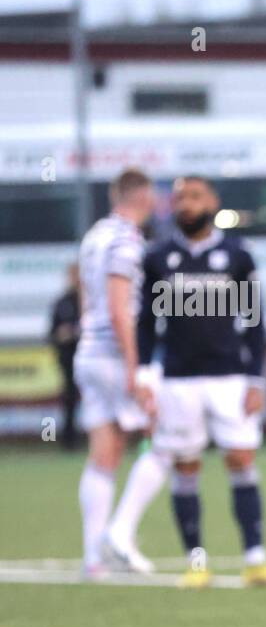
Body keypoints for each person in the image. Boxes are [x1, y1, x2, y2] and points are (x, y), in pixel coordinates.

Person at [138, 176, 266, 589]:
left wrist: (255, 379)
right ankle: (196, 563)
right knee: (185, 466)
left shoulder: (237, 254)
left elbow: (255, 320)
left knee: (241, 460)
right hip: (178, 380)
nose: (185, 205)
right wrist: (143, 374)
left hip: (229, 377)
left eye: (194, 197)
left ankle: (256, 560)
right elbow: (145, 323)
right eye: (178, 199)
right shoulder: (157, 257)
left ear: (212, 202)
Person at [72, 168, 170, 578]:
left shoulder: (95, 235)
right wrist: (135, 367)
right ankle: (120, 533)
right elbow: (118, 308)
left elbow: (85, 297)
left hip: (88, 353)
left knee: (104, 455)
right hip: (114, 356)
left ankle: (94, 558)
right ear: (144, 198)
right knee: (166, 439)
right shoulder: (127, 241)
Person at [49, 263, 81, 451]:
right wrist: (63, 334)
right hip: (69, 358)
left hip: (88, 358)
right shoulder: (62, 303)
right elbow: (52, 333)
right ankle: (69, 441)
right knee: (69, 399)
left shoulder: (91, 300)